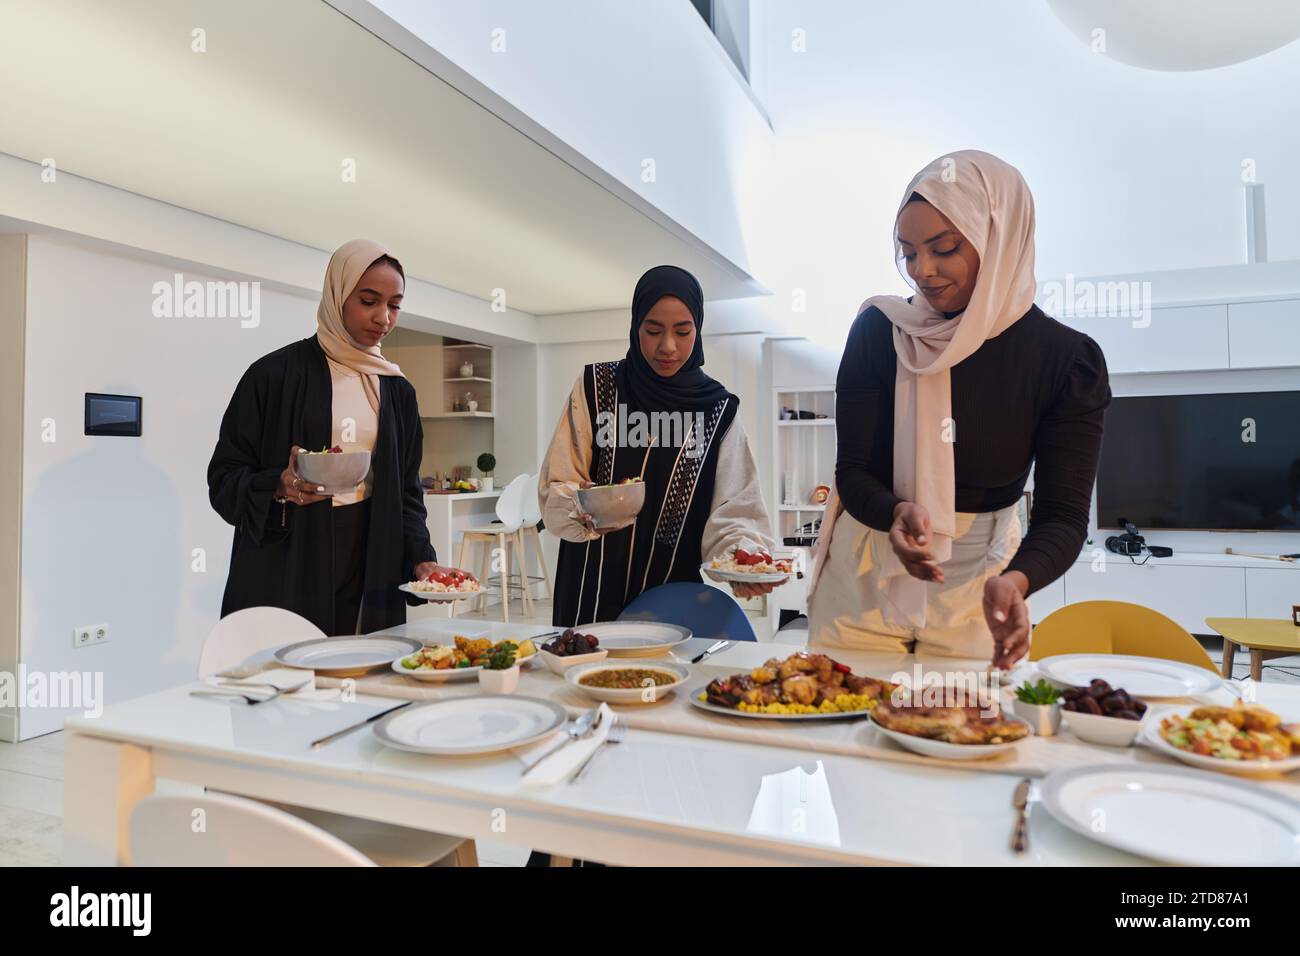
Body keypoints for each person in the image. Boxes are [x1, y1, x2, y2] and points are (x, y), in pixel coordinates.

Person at [807, 151, 1110, 669]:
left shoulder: (1065, 361)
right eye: (907, 253)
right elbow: (853, 471)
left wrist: (1017, 582)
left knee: (963, 729)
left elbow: (1062, 516)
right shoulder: (880, 331)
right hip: (865, 566)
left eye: (943, 249)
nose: (922, 272)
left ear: (998, 239)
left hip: (980, 580)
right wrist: (894, 511)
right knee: (838, 725)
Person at [208, 239, 472, 636]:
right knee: (288, 676)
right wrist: (278, 485)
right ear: (336, 296)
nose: (383, 317)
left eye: (394, 304)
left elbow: (406, 495)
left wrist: (422, 561)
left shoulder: (397, 391)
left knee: (361, 670)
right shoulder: (273, 376)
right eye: (368, 300)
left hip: (372, 549)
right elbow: (223, 478)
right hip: (290, 554)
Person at [539, 264, 779, 627]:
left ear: (697, 331)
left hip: (674, 604)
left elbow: (735, 509)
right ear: (636, 327)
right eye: (653, 330)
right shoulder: (596, 386)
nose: (667, 346)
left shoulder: (718, 409)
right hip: (590, 593)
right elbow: (557, 483)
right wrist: (579, 504)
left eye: (683, 332)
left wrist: (744, 558)